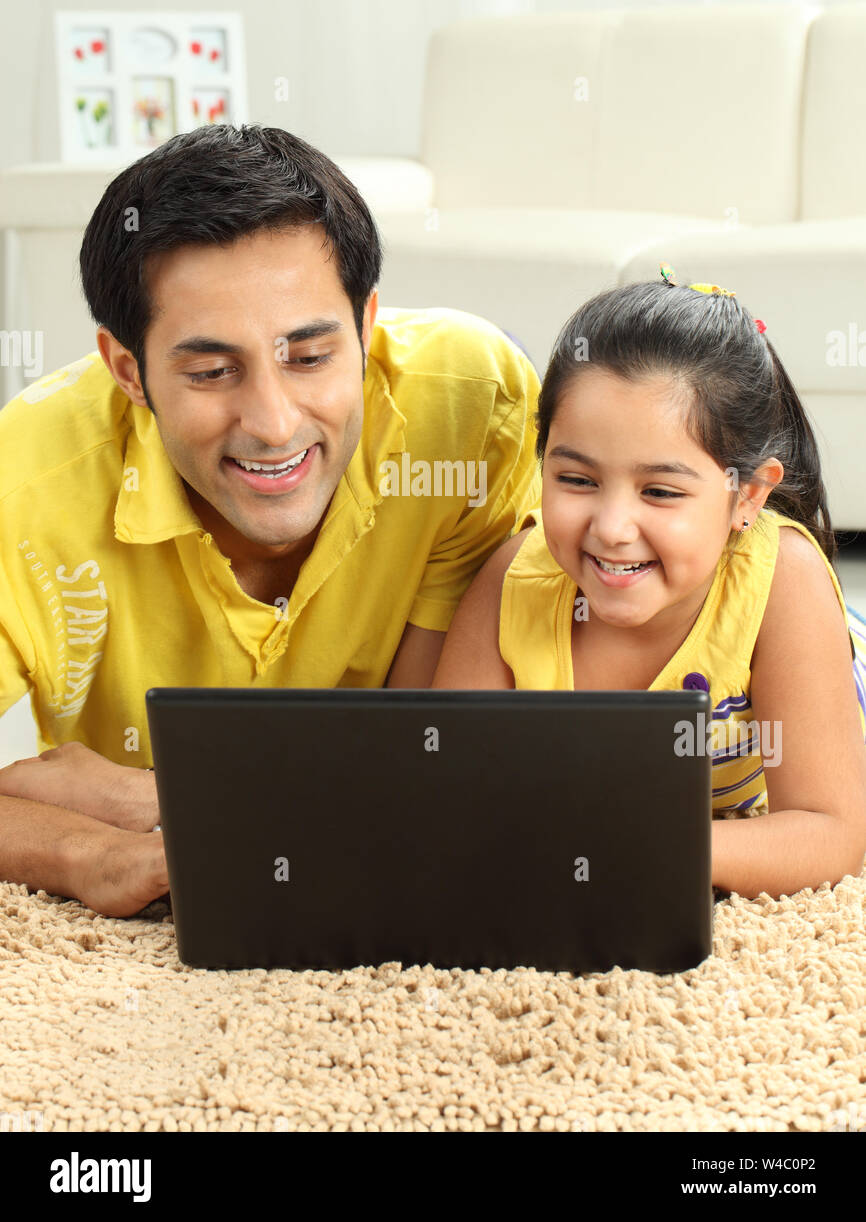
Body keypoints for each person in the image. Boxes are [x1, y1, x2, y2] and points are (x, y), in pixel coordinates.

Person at [0, 125, 542, 916]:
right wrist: (90, 852)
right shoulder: (24, 480)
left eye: (311, 355)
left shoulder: (471, 402)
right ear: (129, 371)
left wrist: (151, 799)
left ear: (365, 327)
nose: (275, 423)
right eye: (213, 371)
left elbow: (428, 758)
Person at [432, 268, 866, 900]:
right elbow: (446, 789)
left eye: (659, 492)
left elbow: (832, 833)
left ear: (746, 495)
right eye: (576, 480)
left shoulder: (782, 582)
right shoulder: (513, 579)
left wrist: (639, 842)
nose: (611, 529)